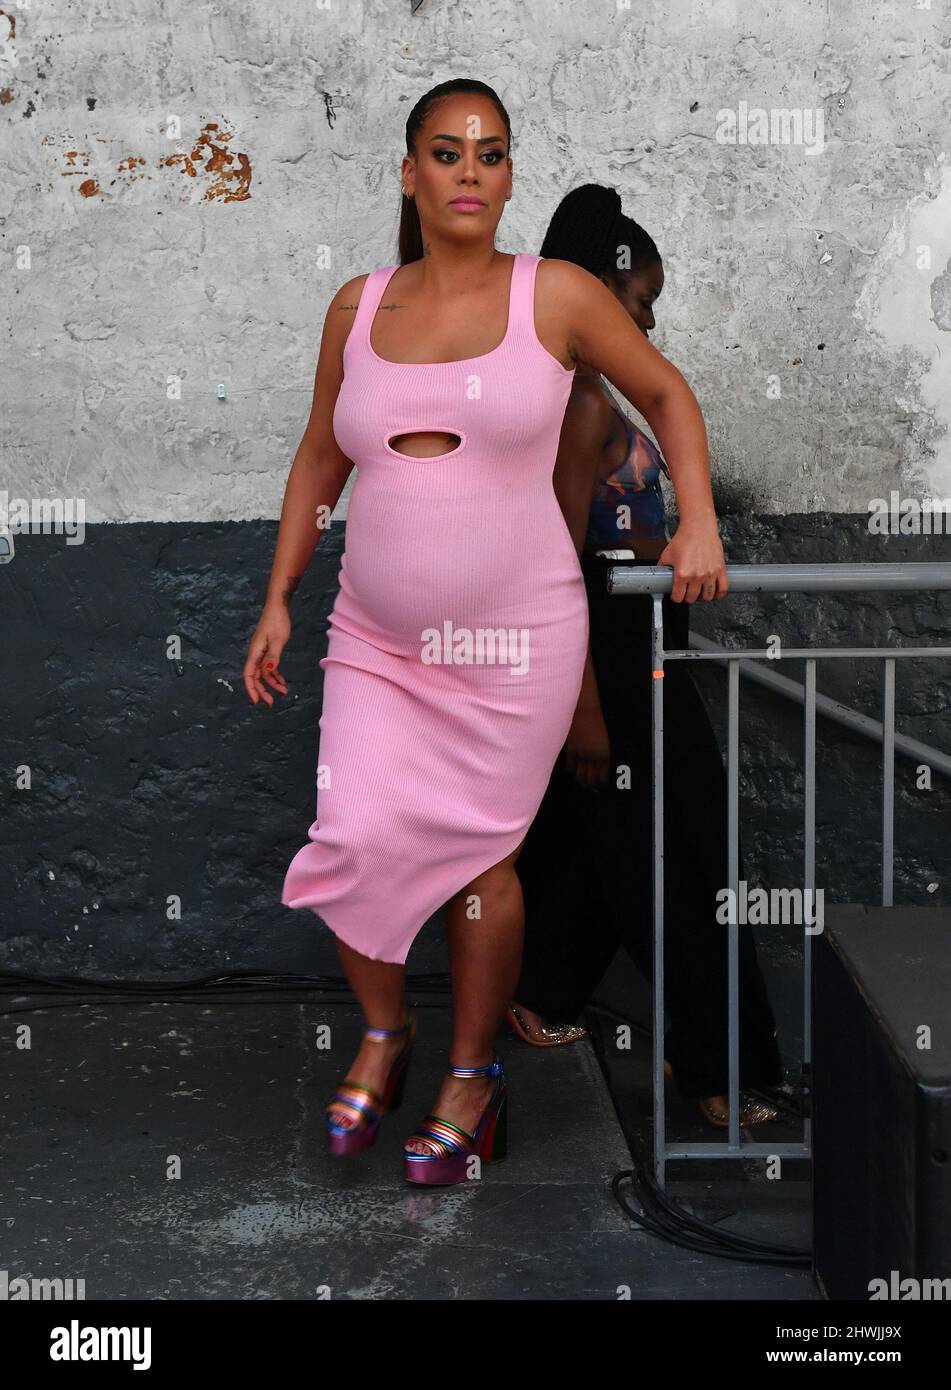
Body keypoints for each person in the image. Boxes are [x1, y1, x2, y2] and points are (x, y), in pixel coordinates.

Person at [243, 82, 728, 1186]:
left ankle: (470, 1071)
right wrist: (280, 594)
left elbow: (669, 391)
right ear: (409, 173)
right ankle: (384, 1030)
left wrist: (697, 519)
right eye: (446, 152)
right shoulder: (358, 307)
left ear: (509, 177)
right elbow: (322, 458)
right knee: (351, 830)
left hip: (517, 641)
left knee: (480, 864)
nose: (470, 171)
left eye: (492, 153)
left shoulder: (553, 296)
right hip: (375, 633)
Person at [508, 185, 782, 1128]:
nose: (647, 321)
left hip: (638, 646)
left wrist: (659, 547)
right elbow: (551, 562)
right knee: (688, 858)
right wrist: (580, 706)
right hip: (609, 659)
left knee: (611, 848)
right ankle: (719, 1072)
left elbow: (604, 535)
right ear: (592, 294)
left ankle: (541, 994)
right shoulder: (578, 405)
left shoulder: (592, 398)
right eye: (638, 302)